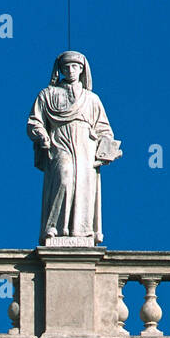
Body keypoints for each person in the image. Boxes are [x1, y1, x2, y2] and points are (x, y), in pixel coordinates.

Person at [26, 51, 119, 245]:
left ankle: (81, 231)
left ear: (82, 70)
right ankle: (55, 227)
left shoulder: (92, 99)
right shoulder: (47, 94)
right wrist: (42, 135)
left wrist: (107, 148)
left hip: (86, 145)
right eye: (66, 67)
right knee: (65, 178)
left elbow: (104, 128)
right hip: (60, 141)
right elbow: (34, 121)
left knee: (83, 185)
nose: (71, 70)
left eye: (75, 66)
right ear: (60, 70)